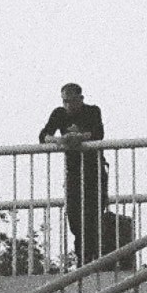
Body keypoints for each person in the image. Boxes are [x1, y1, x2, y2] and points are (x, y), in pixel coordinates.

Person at [40, 82, 115, 265]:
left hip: (94, 171)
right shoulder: (59, 114)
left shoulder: (92, 111)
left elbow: (98, 133)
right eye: (65, 102)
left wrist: (79, 137)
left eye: (72, 101)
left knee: (93, 214)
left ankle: (92, 258)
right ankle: (82, 256)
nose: (68, 106)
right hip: (73, 173)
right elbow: (43, 136)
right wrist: (59, 140)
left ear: (80, 99)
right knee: (74, 215)